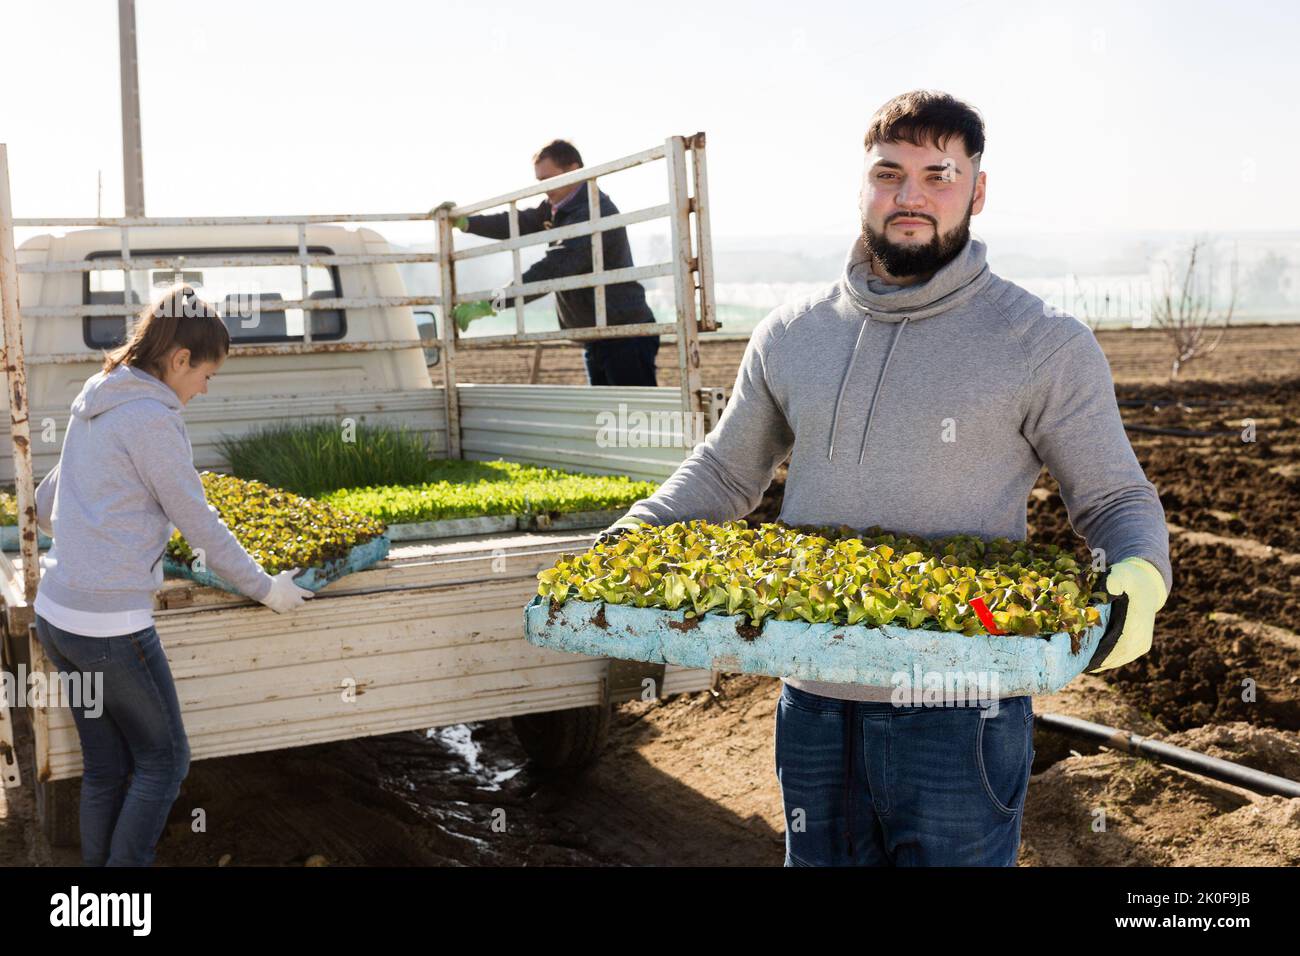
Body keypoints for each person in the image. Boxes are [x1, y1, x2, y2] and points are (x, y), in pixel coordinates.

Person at [601, 90, 1172, 866]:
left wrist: (1140, 575)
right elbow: (724, 472)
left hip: (960, 709)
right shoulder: (792, 334)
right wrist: (637, 533)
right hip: (813, 698)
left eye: (939, 174)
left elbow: (1112, 498)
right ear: (862, 185)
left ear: (978, 189)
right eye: (888, 173)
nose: (909, 196)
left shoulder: (1041, 342)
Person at [32, 285, 314, 866]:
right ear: (179, 359)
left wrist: (93, 535)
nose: (204, 390)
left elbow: (45, 500)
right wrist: (266, 588)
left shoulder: (97, 394)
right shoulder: (152, 418)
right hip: (108, 627)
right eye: (206, 375)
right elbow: (198, 520)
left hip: (57, 617)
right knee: (165, 762)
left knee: (107, 768)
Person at [445, 139, 661, 386]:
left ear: (574, 170)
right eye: (540, 182)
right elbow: (519, 222)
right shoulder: (559, 208)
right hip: (597, 332)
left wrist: (491, 302)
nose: (544, 189)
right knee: (611, 415)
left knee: (634, 415)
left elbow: (552, 270)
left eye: (549, 180)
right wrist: (468, 224)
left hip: (624, 332)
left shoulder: (591, 213)